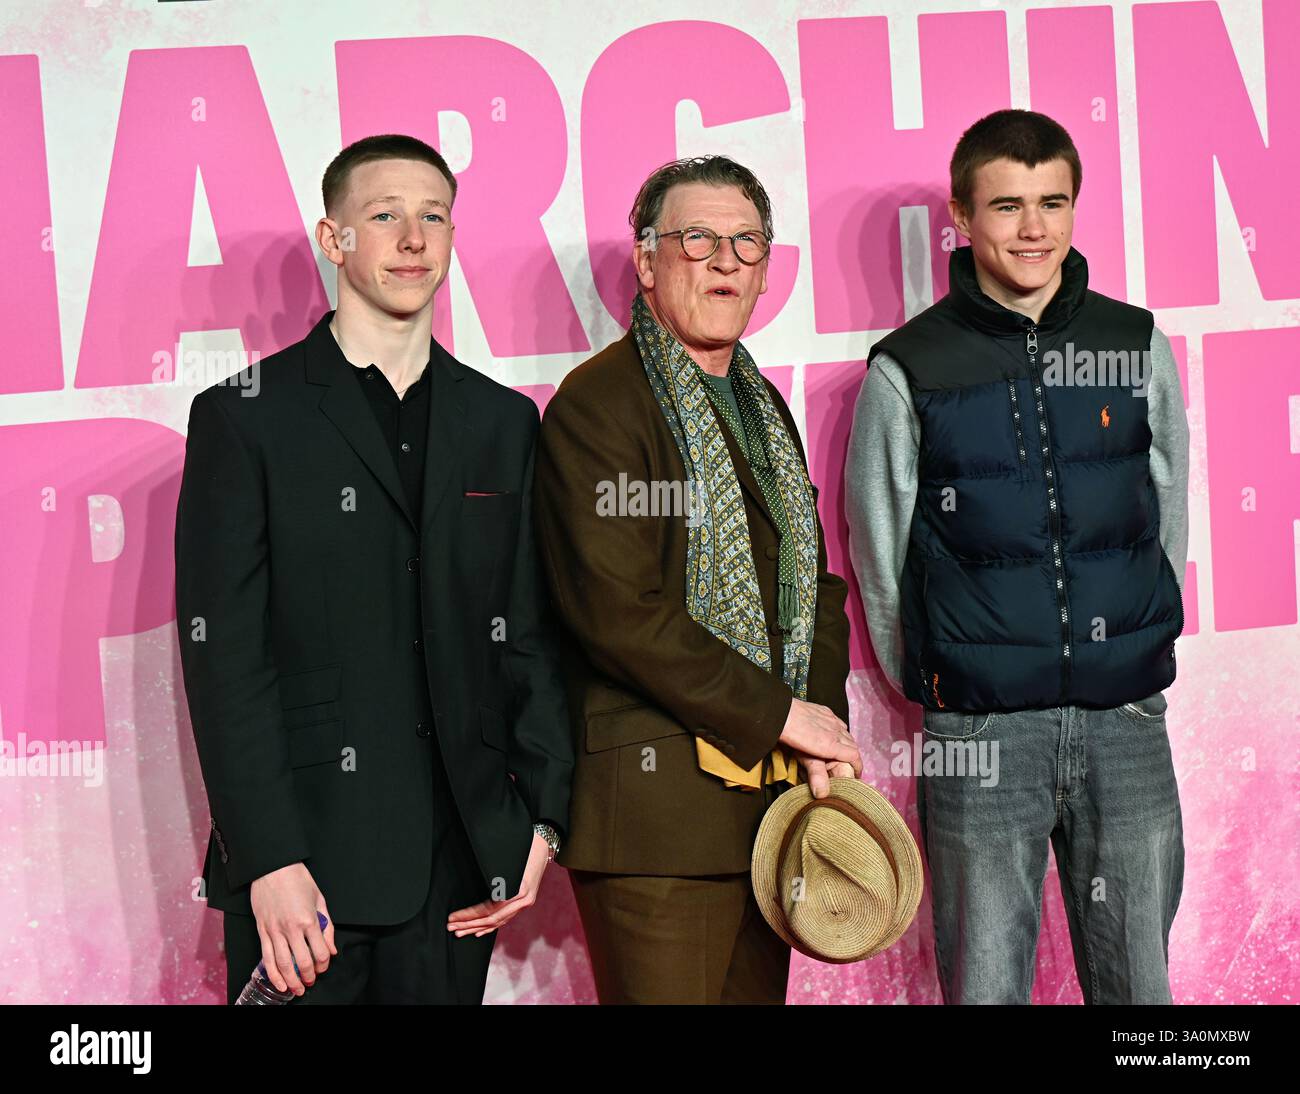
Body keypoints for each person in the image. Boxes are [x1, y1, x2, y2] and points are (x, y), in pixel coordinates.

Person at [175, 133, 572, 1004]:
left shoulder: (503, 423)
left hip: (459, 868)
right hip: (305, 874)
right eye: (383, 215)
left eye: (433, 217)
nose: (413, 239)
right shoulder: (244, 419)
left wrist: (541, 819)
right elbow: (224, 657)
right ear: (333, 239)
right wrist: (268, 858)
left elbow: (528, 633)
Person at [845, 109, 1189, 1004]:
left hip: (1125, 719)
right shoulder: (909, 366)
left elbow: (1168, 505)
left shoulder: (1134, 342)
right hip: (982, 735)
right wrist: (947, 678)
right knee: (987, 985)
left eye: (1052, 202)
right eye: (1006, 206)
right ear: (961, 216)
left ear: (1075, 208)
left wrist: (1136, 652)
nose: (1032, 228)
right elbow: (880, 552)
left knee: (1141, 989)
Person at [533, 155, 860, 1005]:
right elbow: (617, 611)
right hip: (657, 828)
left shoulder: (762, 404)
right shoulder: (598, 403)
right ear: (647, 262)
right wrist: (784, 715)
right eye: (697, 239)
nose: (724, 261)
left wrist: (818, 733)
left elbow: (813, 588)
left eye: (746, 242)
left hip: (772, 816)